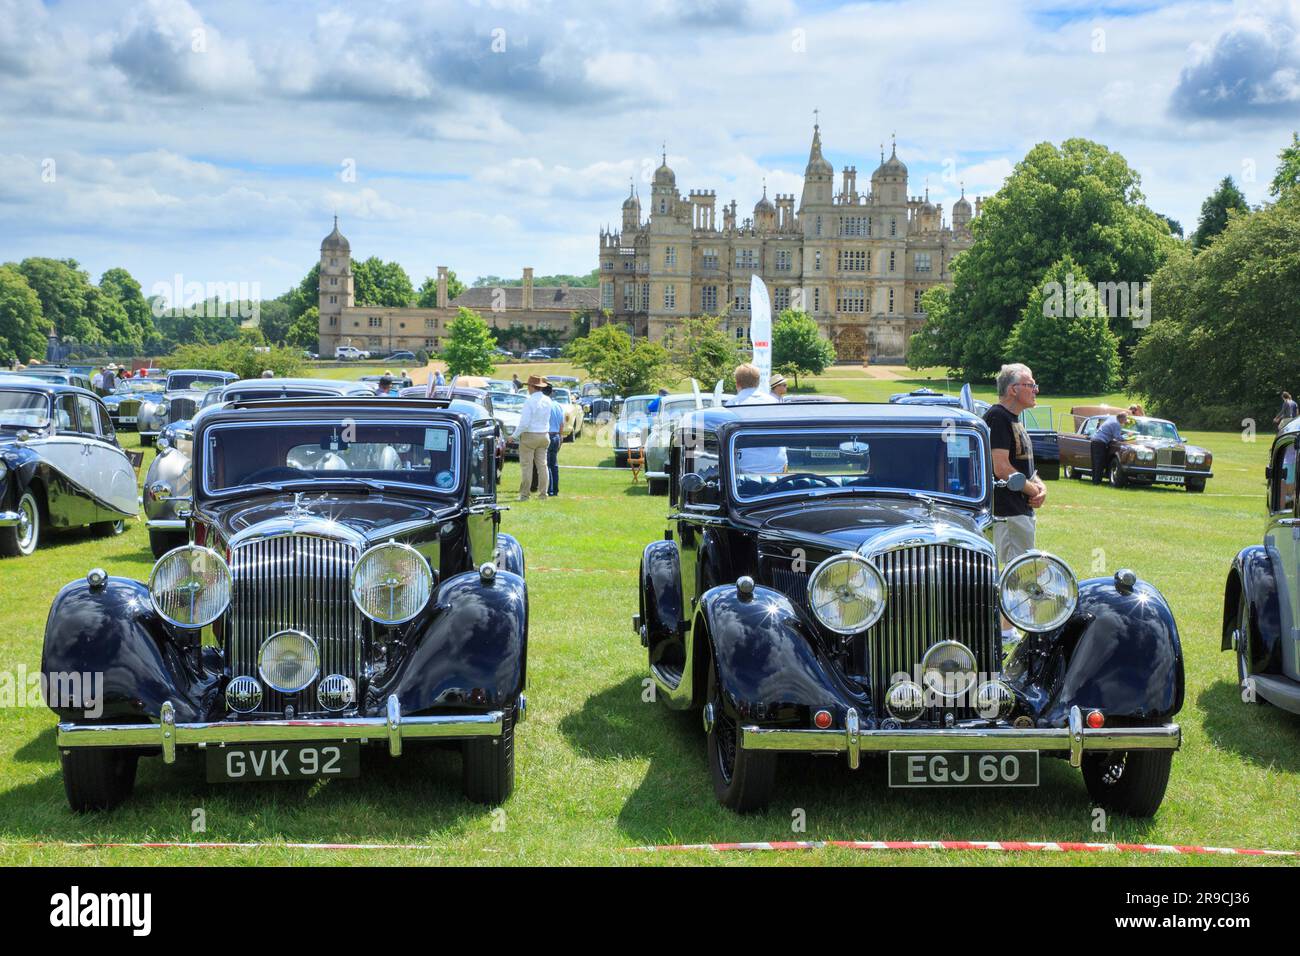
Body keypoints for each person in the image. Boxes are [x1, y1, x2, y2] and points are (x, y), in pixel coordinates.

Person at [984, 364, 1047, 626]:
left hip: (1019, 510)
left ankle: (1011, 626)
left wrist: (1041, 486)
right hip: (1007, 512)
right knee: (1017, 572)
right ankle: (1007, 631)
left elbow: (1025, 467)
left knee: (1024, 569)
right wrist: (1032, 490)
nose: (1036, 389)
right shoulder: (998, 417)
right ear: (1013, 389)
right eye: (1030, 384)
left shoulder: (1015, 420)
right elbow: (1000, 468)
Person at [512, 375, 553, 501]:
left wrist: (513, 436)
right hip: (544, 435)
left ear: (532, 387)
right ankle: (543, 494)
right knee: (542, 466)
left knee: (527, 466)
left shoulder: (529, 401)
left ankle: (525, 495)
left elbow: (524, 423)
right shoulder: (548, 400)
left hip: (530, 435)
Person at [1090, 411, 1129, 485]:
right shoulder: (1116, 424)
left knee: (1095, 462)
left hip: (1095, 440)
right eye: (1125, 419)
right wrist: (1127, 437)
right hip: (1100, 442)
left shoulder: (1112, 418)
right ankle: (1097, 482)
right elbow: (1118, 437)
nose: (1125, 421)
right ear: (1121, 418)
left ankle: (1095, 480)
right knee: (1099, 462)